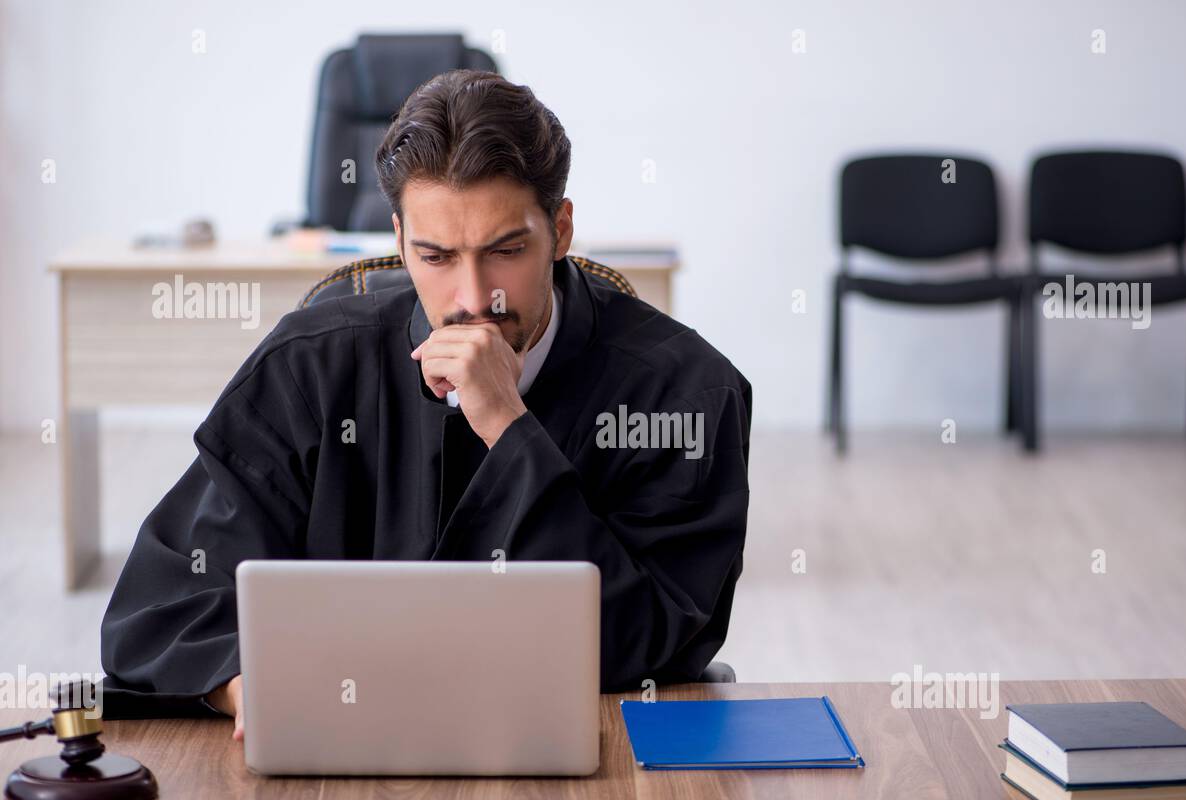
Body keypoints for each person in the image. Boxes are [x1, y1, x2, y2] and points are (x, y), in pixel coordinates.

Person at [100, 69, 752, 738]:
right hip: (337, 761)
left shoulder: (685, 395)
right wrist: (250, 688)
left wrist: (508, 426)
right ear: (399, 239)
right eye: (436, 255)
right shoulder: (309, 369)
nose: (473, 297)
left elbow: (651, 645)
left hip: (577, 770)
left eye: (505, 251)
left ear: (560, 231)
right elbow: (160, 608)